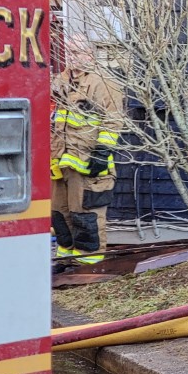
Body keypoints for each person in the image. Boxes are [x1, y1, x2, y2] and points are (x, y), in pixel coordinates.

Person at [51, 40, 124, 267]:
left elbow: (113, 122)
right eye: (69, 51)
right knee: (60, 214)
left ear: (90, 55)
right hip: (59, 163)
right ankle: (66, 260)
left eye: (78, 52)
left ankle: (89, 265)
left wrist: (102, 151)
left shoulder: (104, 84)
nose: (72, 56)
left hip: (87, 164)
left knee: (85, 216)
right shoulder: (59, 82)